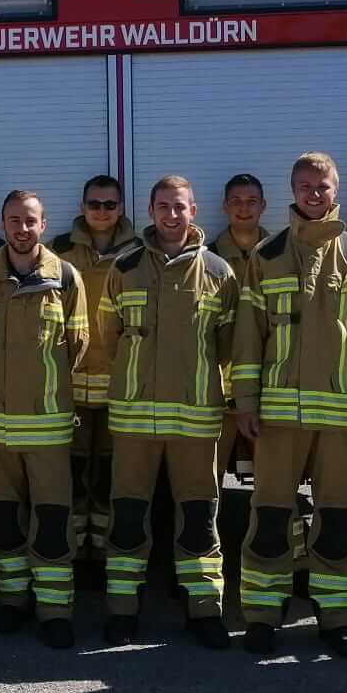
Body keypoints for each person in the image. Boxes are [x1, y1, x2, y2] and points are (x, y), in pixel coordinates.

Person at [230, 153, 347, 658]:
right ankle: (262, 616)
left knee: (337, 521)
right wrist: (245, 402)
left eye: (322, 186)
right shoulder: (267, 254)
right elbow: (248, 337)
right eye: (305, 186)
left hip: (341, 418)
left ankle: (335, 618)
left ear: (335, 189)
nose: (314, 194)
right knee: (270, 518)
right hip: (278, 417)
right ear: (293, 191)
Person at [102, 175, 240, 648]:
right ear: (150, 211)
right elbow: (109, 337)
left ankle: (204, 610)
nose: (171, 215)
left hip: (196, 418)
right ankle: (122, 609)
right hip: (134, 417)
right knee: (126, 515)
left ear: (193, 211)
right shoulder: (124, 268)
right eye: (163, 206)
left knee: (199, 517)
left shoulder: (219, 272)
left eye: (180, 207)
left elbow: (228, 346)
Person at [0, 189, 89, 647]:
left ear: (43, 224)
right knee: (3, 519)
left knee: (52, 520)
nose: (22, 228)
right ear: (3, 223)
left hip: (47, 426)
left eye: (30, 220)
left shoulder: (66, 277)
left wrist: (42, 385)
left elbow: (78, 344)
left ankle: (55, 611)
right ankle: (13, 601)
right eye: (14, 220)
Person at [51, 176, 141, 572]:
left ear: (121, 208)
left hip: (119, 385)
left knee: (108, 475)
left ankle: (104, 553)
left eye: (109, 204)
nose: (101, 211)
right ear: (82, 207)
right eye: (94, 204)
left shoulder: (139, 253)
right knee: (70, 474)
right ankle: (71, 553)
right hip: (68, 384)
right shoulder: (57, 251)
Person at [209, 174, 269, 486]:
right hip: (219, 385)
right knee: (208, 473)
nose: (243, 208)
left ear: (263, 206)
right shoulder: (207, 259)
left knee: (273, 475)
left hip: (270, 384)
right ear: (224, 206)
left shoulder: (281, 255)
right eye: (236, 201)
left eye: (251, 201)